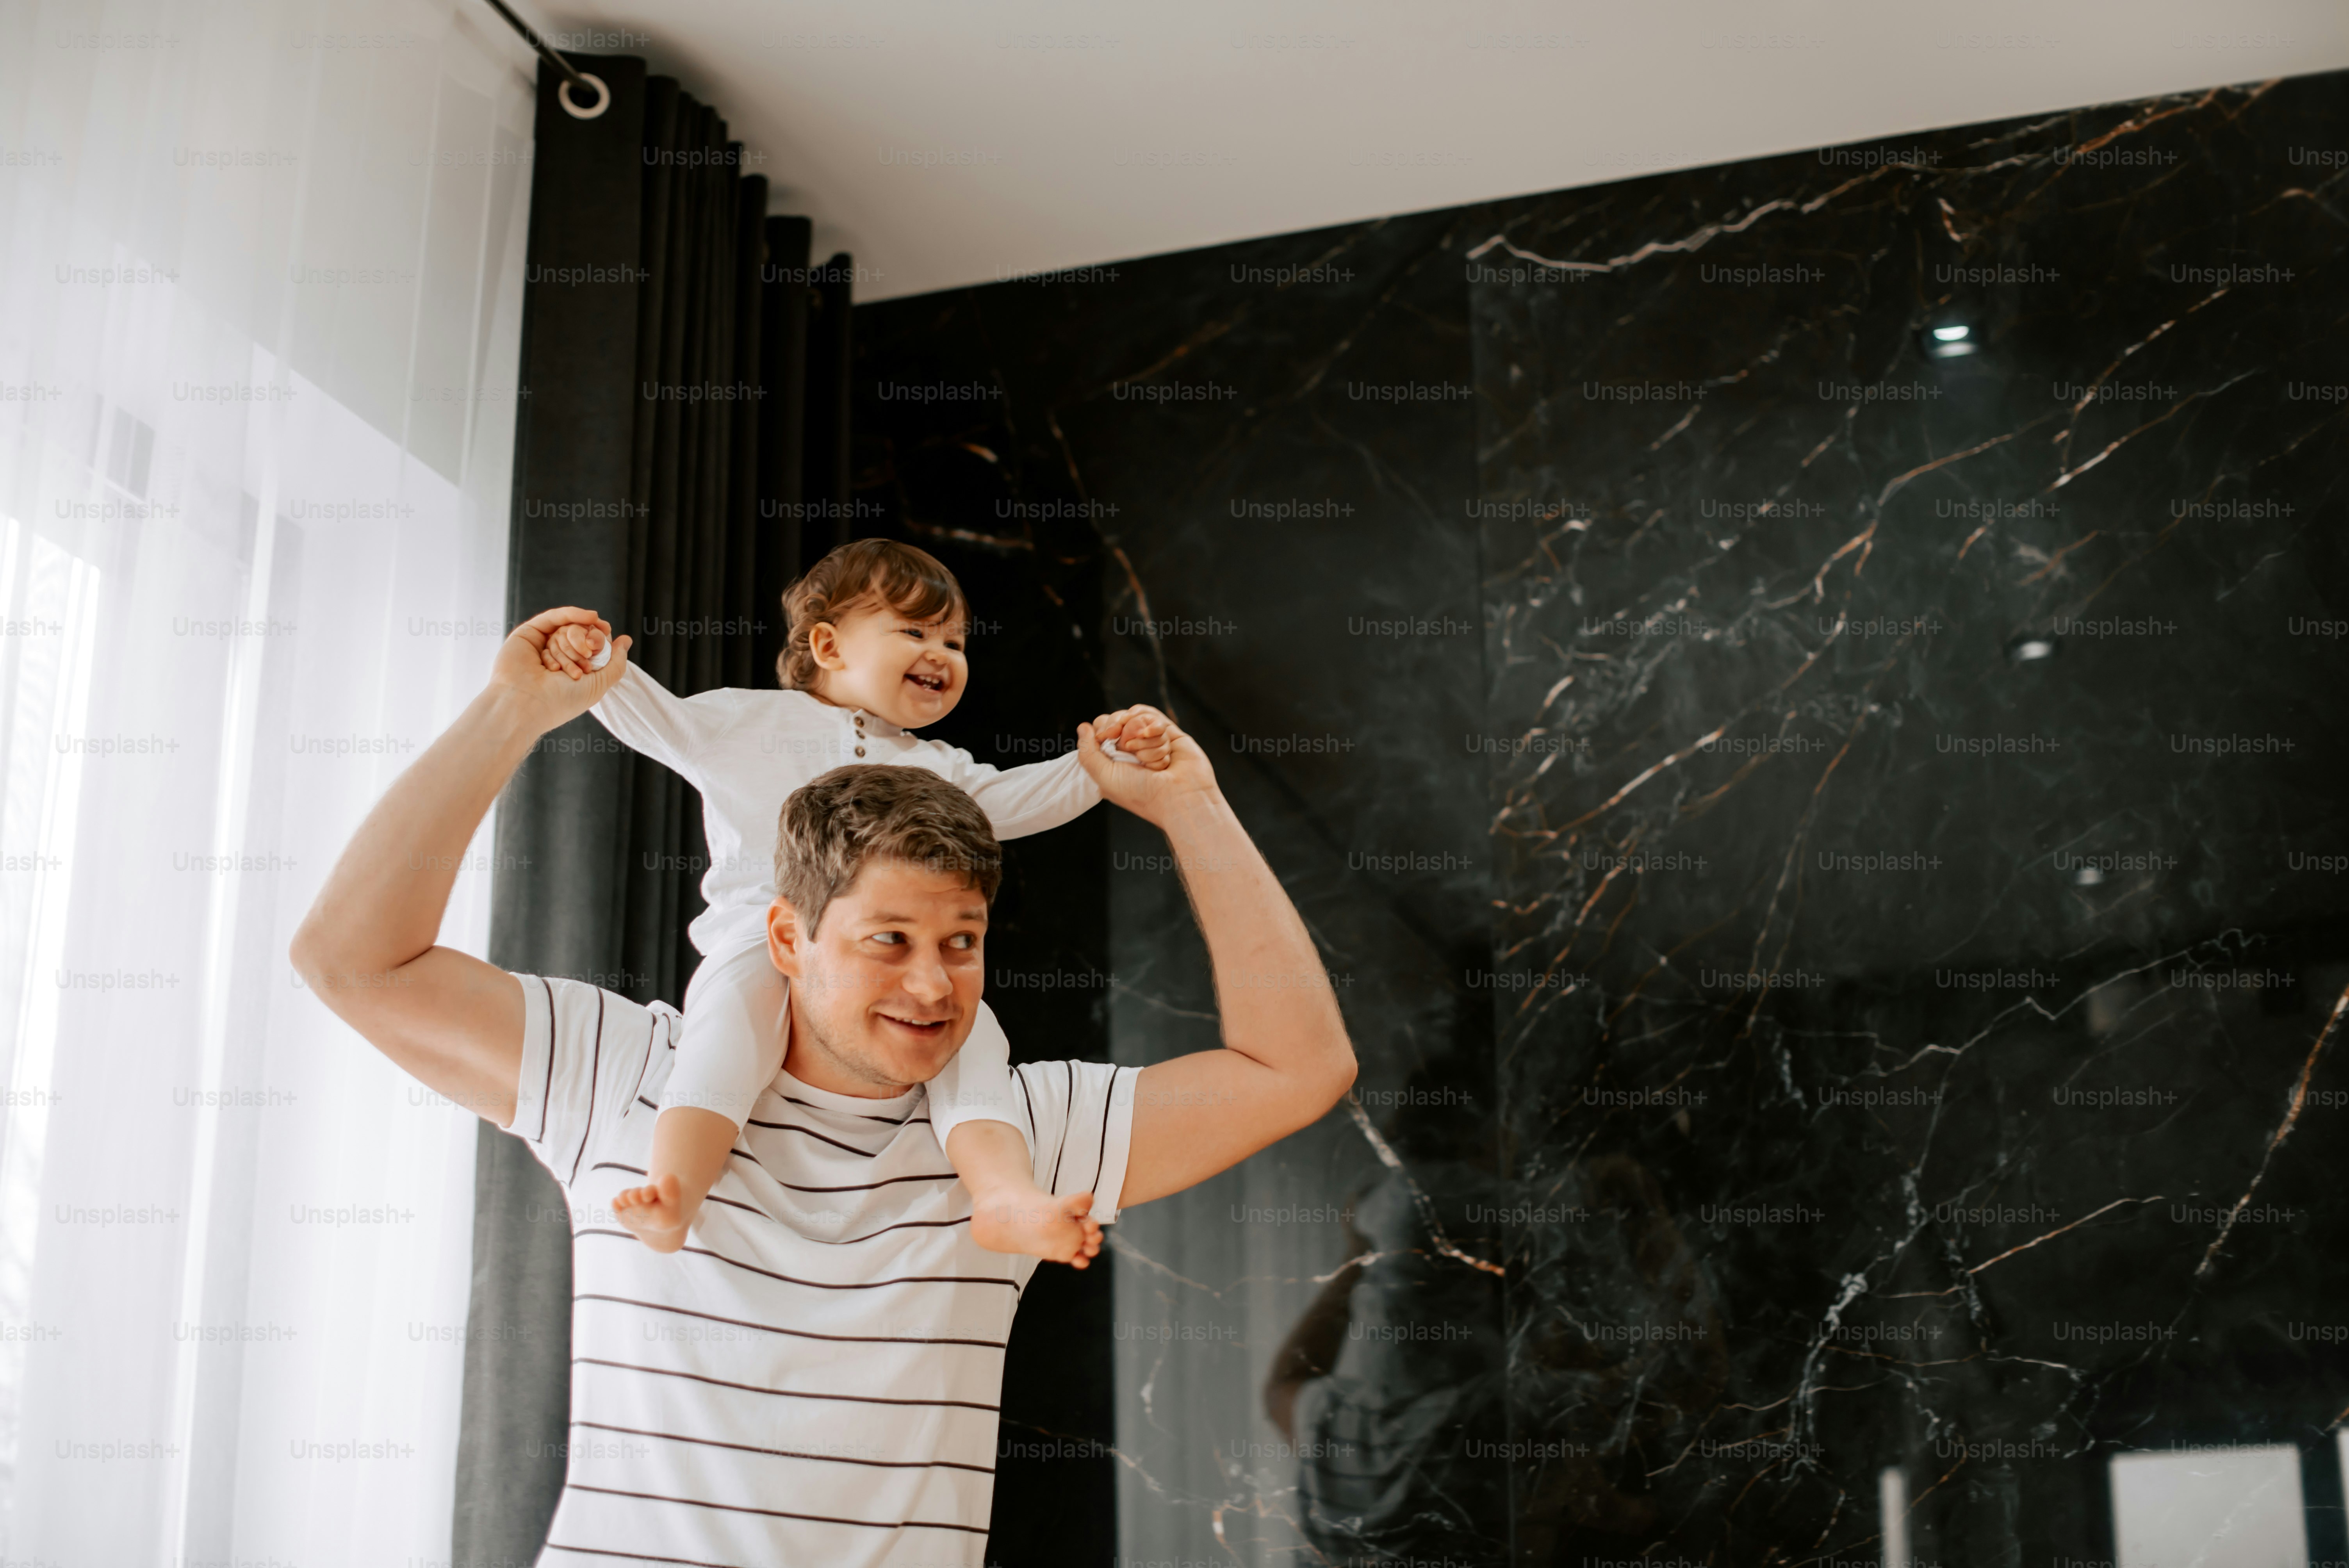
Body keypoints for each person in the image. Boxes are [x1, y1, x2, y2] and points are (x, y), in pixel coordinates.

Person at [287, 606, 1356, 1566]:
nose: (934, 984)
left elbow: (1298, 1068)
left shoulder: (1019, 1138)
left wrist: (1193, 808)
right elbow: (352, 958)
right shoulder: (624, 1072)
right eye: (888, 940)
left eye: (964, 941)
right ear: (789, 939)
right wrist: (511, 715)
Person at [533, 539, 1171, 1265]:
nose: (943, 653)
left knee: (974, 1039)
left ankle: (1001, 1195)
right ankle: (674, 1192)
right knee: (727, 1030)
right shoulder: (748, 722)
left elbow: (1020, 798)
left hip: (890, 955)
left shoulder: (936, 768)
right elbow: (662, 720)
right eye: (915, 631)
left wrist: (1101, 765)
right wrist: (591, 665)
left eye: (955, 641)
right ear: (829, 645)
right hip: (761, 937)